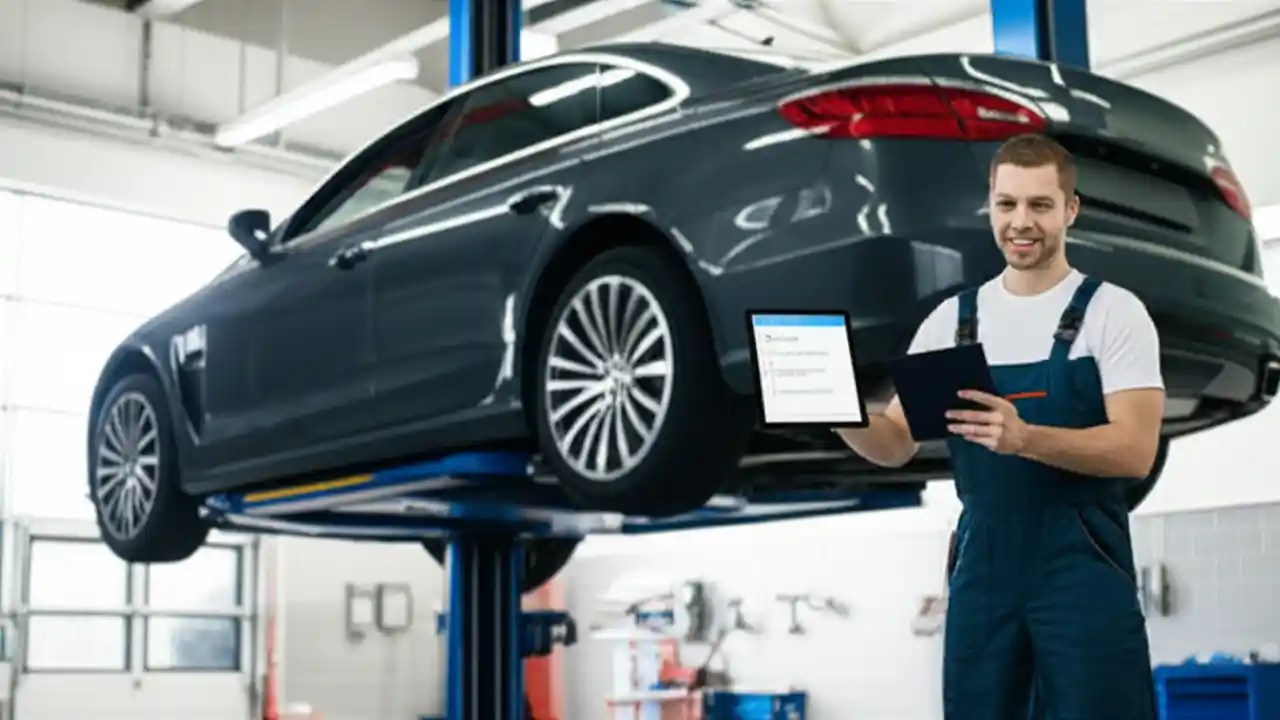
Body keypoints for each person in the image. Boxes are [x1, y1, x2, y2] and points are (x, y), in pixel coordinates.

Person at [835, 133, 1165, 719]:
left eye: (1040, 205)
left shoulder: (1112, 313)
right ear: (989, 207)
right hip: (983, 568)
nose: (1021, 222)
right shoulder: (954, 322)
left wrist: (1025, 439)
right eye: (1007, 204)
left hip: (1082, 563)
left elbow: (1134, 451)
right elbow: (894, 443)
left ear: (1070, 210)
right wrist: (835, 408)